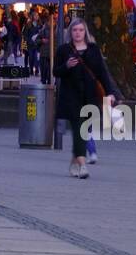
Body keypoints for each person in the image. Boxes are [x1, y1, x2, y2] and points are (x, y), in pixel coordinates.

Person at [50, 17, 119, 179]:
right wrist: (66, 66)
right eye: (74, 30)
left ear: (85, 32)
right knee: (79, 129)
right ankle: (82, 165)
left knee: (82, 130)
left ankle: (74, 161)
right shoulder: (63, 50)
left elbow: (102, 73)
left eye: (81, 30)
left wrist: (110, 92)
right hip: (71, 96)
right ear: (70, 32)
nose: (78, 33)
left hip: (90, 96)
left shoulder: (93, 49)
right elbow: (56, 72)